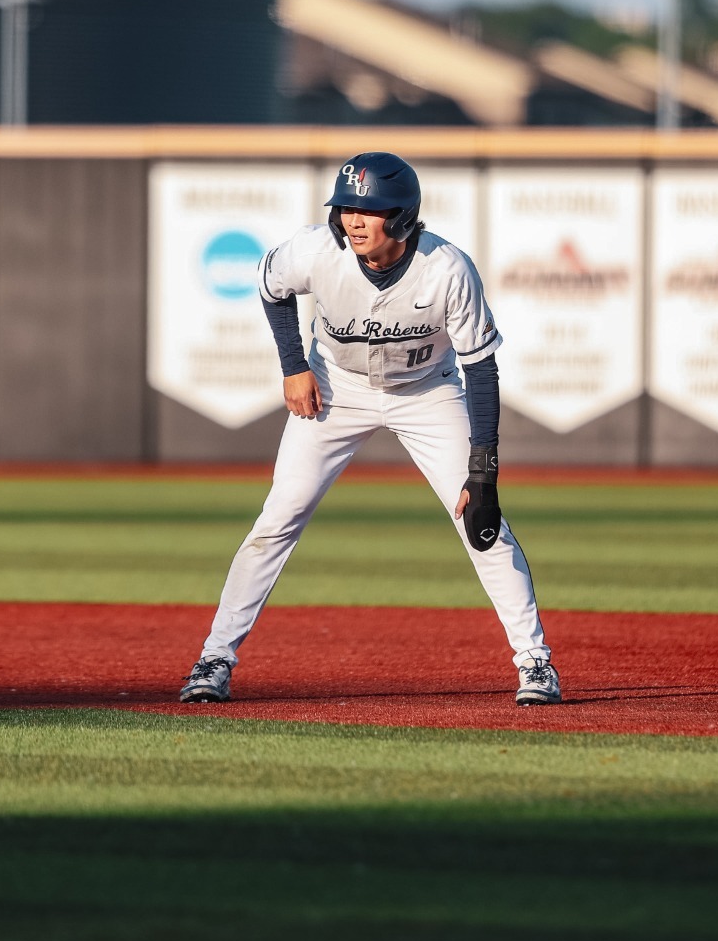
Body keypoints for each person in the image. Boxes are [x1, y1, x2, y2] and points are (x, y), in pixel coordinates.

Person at [178, 152, 561, 707]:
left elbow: (481, 370)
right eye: (346, 208)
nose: (353, 220)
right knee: (277, 519)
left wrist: (484, 472)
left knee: (481, 521)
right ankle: (215, 658)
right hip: (337, 389)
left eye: (369, 210)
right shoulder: (317, 250)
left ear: (403, 216)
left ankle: (536, 664)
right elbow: (271, 286)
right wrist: (293, 365)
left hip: (426, 391)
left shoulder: (448, 269)